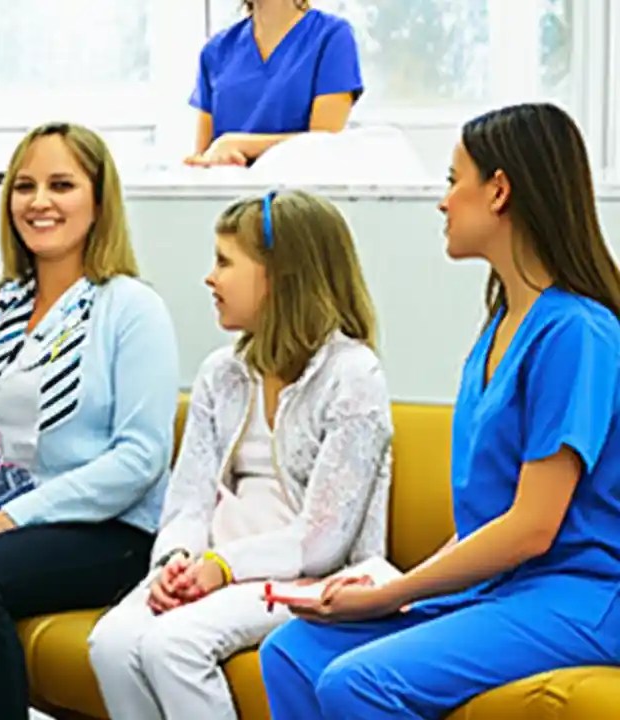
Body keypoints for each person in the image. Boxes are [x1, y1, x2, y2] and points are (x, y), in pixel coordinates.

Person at [258, 102, 620, 719]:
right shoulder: (501, 326)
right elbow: (488, 516)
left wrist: (395, 593)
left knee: (359, 682)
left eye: (454, 180)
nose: (444, 201)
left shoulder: (578, 332)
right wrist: (386, 585)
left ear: (499, 190)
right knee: (292, 651)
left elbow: (532, 526)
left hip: (579, 596)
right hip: (506, 587)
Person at [87, 189, 393, 720]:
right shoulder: (221, 373)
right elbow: (188, 500)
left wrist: (223, 567)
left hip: (309, 575)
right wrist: (177, 561)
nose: (210, 277)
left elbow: (324, 540)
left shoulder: (353, 374)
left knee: (171, 646)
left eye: (225, 262)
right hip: (213, 564)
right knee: (110, 644)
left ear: (279, 275)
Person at [0, 121, 180, 720]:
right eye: (25, 186)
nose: (38, 202)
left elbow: (141, 459)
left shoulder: (131, 307)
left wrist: (11, 518)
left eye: (61, 185)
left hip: (111, 531)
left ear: (98, 202)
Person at [184, 0, 362, 167]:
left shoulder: (332, 37)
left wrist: (239, 144)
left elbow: (322, 145)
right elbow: (203, 158)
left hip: (295, 194)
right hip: (231, 195)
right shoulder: (216, 51)